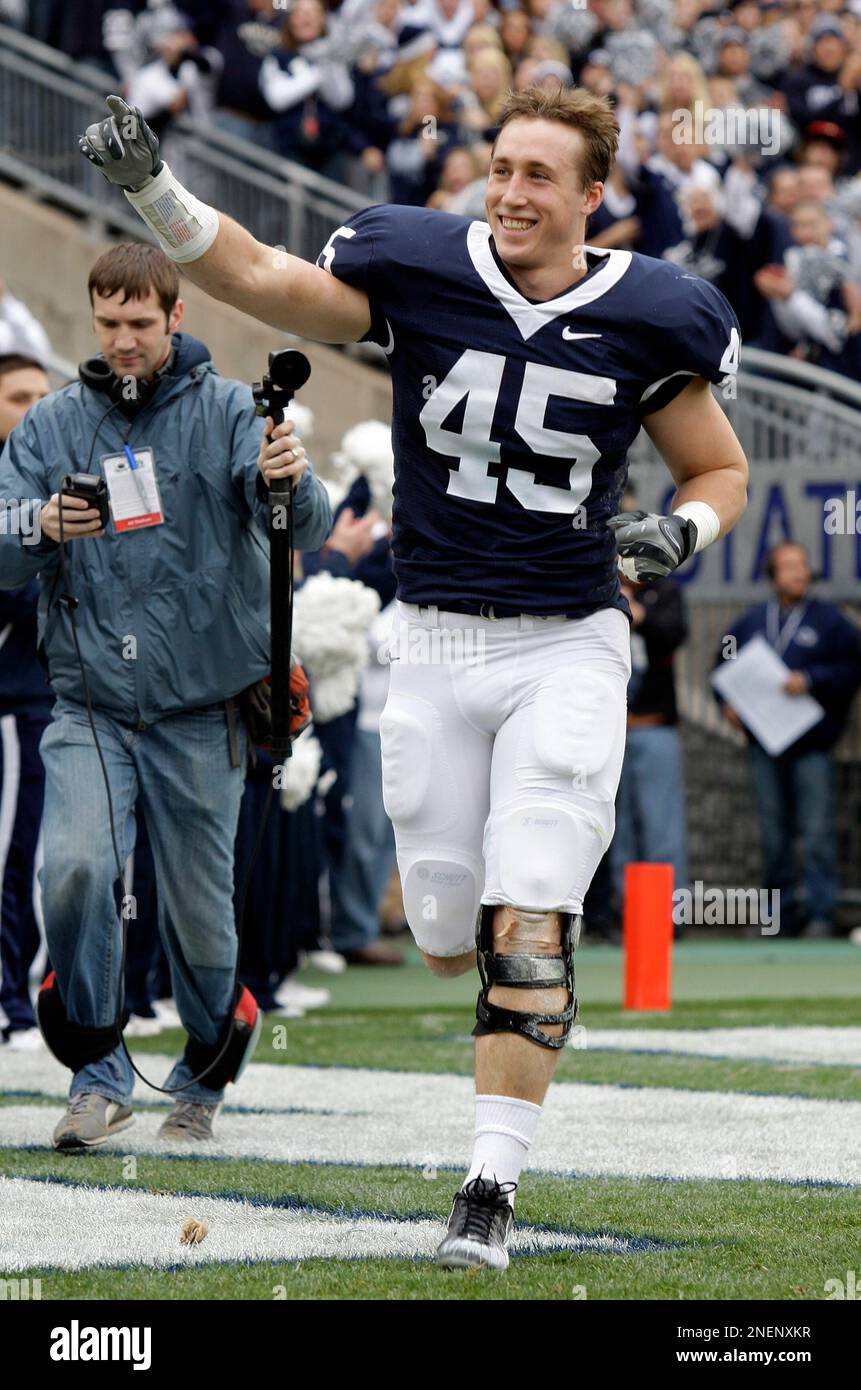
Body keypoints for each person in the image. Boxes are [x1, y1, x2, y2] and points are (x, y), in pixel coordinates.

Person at [79, 82, 748, 1269]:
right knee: (449, 929)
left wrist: (680, 533)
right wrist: (152, 193)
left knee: (527, 927)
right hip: (435, 644)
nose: (511, 193)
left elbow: (718, 470)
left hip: (568, 639)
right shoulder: (426, 262)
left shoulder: (655, 311)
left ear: (596, 195)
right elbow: (263, 278)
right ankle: (493, 967)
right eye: (499, 167)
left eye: (541, 175)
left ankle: (487, 1189)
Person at [0, 242, 331, 1149]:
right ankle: (98, 1073)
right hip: (91, 706)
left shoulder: (231, 411)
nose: (125, 339)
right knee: (72, 872)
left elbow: (315, 520)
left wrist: (288, 480)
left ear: (176, 317)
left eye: (142, 323)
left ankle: (204, 1073)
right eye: (109, 324)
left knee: (199, 915)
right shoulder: (54, 423)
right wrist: (37, 525)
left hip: (201, 712)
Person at [714, 542, 861, 939]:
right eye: (790, 566)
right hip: (766, 743)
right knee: (773, 833)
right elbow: (722, 666)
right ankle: (779, 915)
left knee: (815, 831)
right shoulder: (751, 623)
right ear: (773, 574)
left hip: (812, 743)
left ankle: (821, 913)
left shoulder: (831, 621)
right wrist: (726, 703)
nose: (799, 572)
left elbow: (852, 668)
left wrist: (812, 680)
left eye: (803, 565)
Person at [0, 354, 51, 1051]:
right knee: (15, 854)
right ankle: (10, 1000)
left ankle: (22, 991)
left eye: (44, 396)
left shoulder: (54, 470)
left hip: (51, 696)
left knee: (39, 859)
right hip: (13, 698)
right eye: (18, 397)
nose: (35, 409)